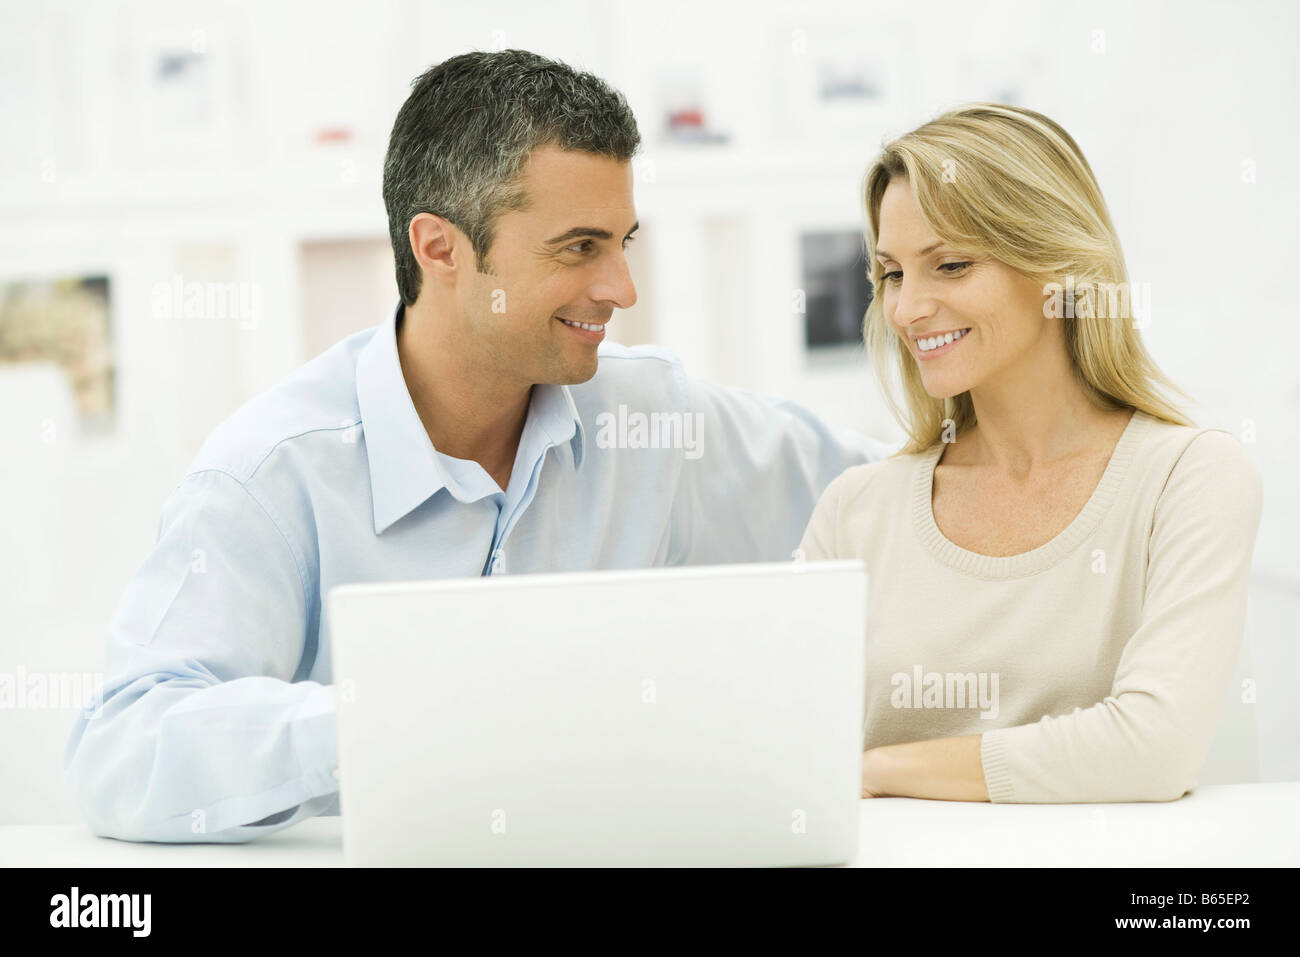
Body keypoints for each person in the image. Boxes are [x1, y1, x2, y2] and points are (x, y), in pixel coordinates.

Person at [63, 50, 892, 843]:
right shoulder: (273, 473)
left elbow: (899, 498)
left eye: (622, 242)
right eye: (579, 248)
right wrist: (396, 716)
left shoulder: (653, 421)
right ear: (439, 247)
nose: (621, 289)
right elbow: (122, 749)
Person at [798, 103, 1263, 803]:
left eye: (950, 265)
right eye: (892, 273)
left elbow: (1153, 748)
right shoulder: (855, 511)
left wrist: (877, 769)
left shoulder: (1188, 478)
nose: (907, 308)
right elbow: (784, 743)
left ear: (1061, 269)